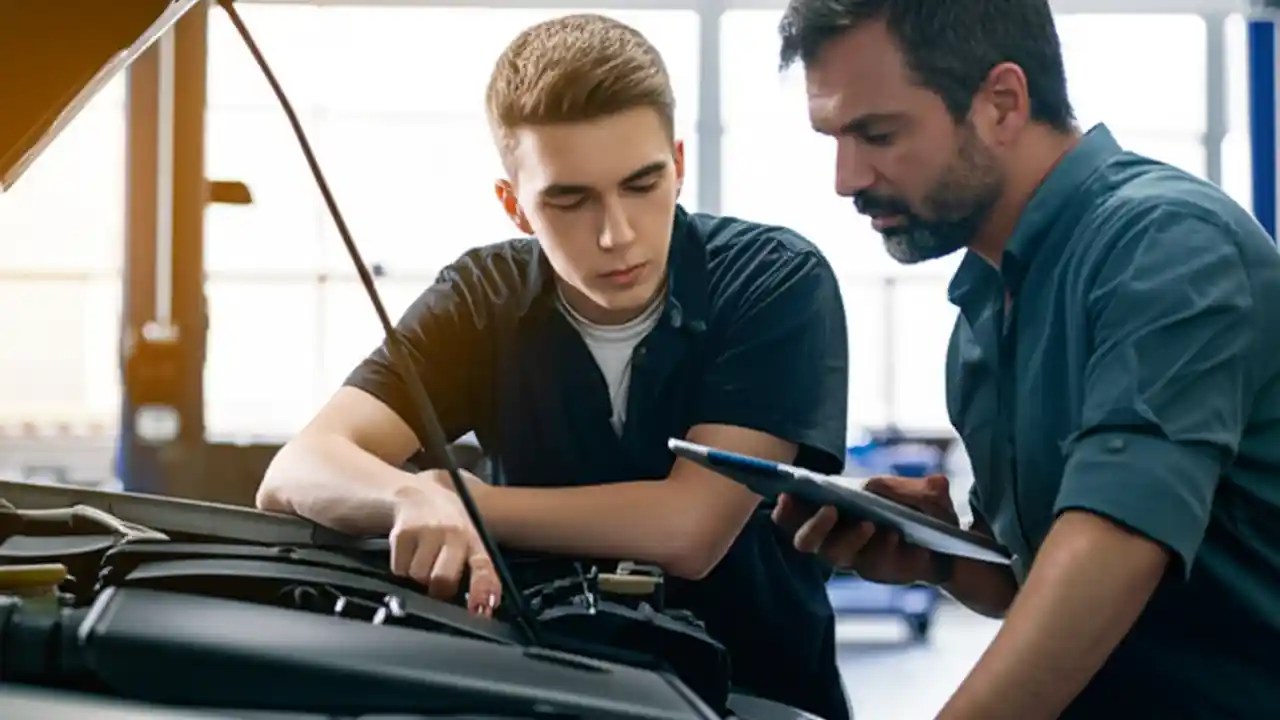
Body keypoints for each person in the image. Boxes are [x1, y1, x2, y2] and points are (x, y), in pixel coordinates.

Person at [257, 13, 853, 720]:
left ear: (680, 164)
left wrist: (461, 499)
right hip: (546, 692)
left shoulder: (774, 280)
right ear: (514, 206)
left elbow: (688, 531)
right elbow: (296, 470)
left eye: (642, 184)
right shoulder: (481, 299)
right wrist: (406, 498)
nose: (616, 233)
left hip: (754, 697)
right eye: (569, 200)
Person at [769, 1, 1280, 718]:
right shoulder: (985, 311)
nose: (846, 178)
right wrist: (943, 554)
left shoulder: (1168, 246)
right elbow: (1035, 579)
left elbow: (1112, 554)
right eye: (833, 138)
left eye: (876, 134)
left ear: (1002, 103)